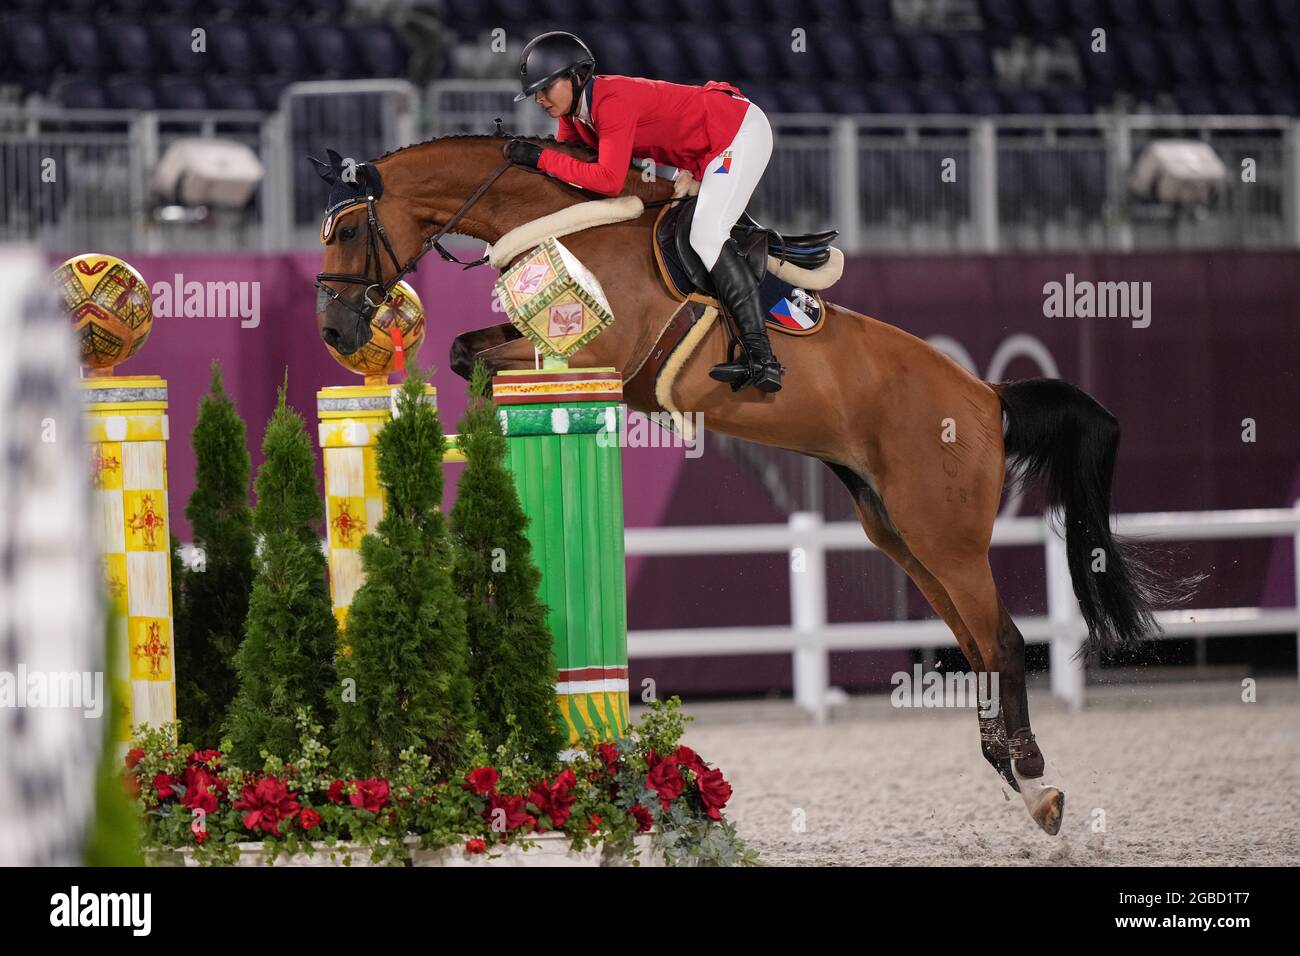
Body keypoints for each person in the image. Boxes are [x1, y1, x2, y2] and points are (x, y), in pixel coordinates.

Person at [504, 31, 783, 393]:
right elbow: (572, 169)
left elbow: (606, 179)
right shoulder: (573, 115)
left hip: (737, 133)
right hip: (704, 148)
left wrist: (540, 158)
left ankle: (762, 357)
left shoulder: (611, 100)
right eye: (534, 93)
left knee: (706, 234)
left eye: (546, 87)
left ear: (577, 76)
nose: (540, 99)